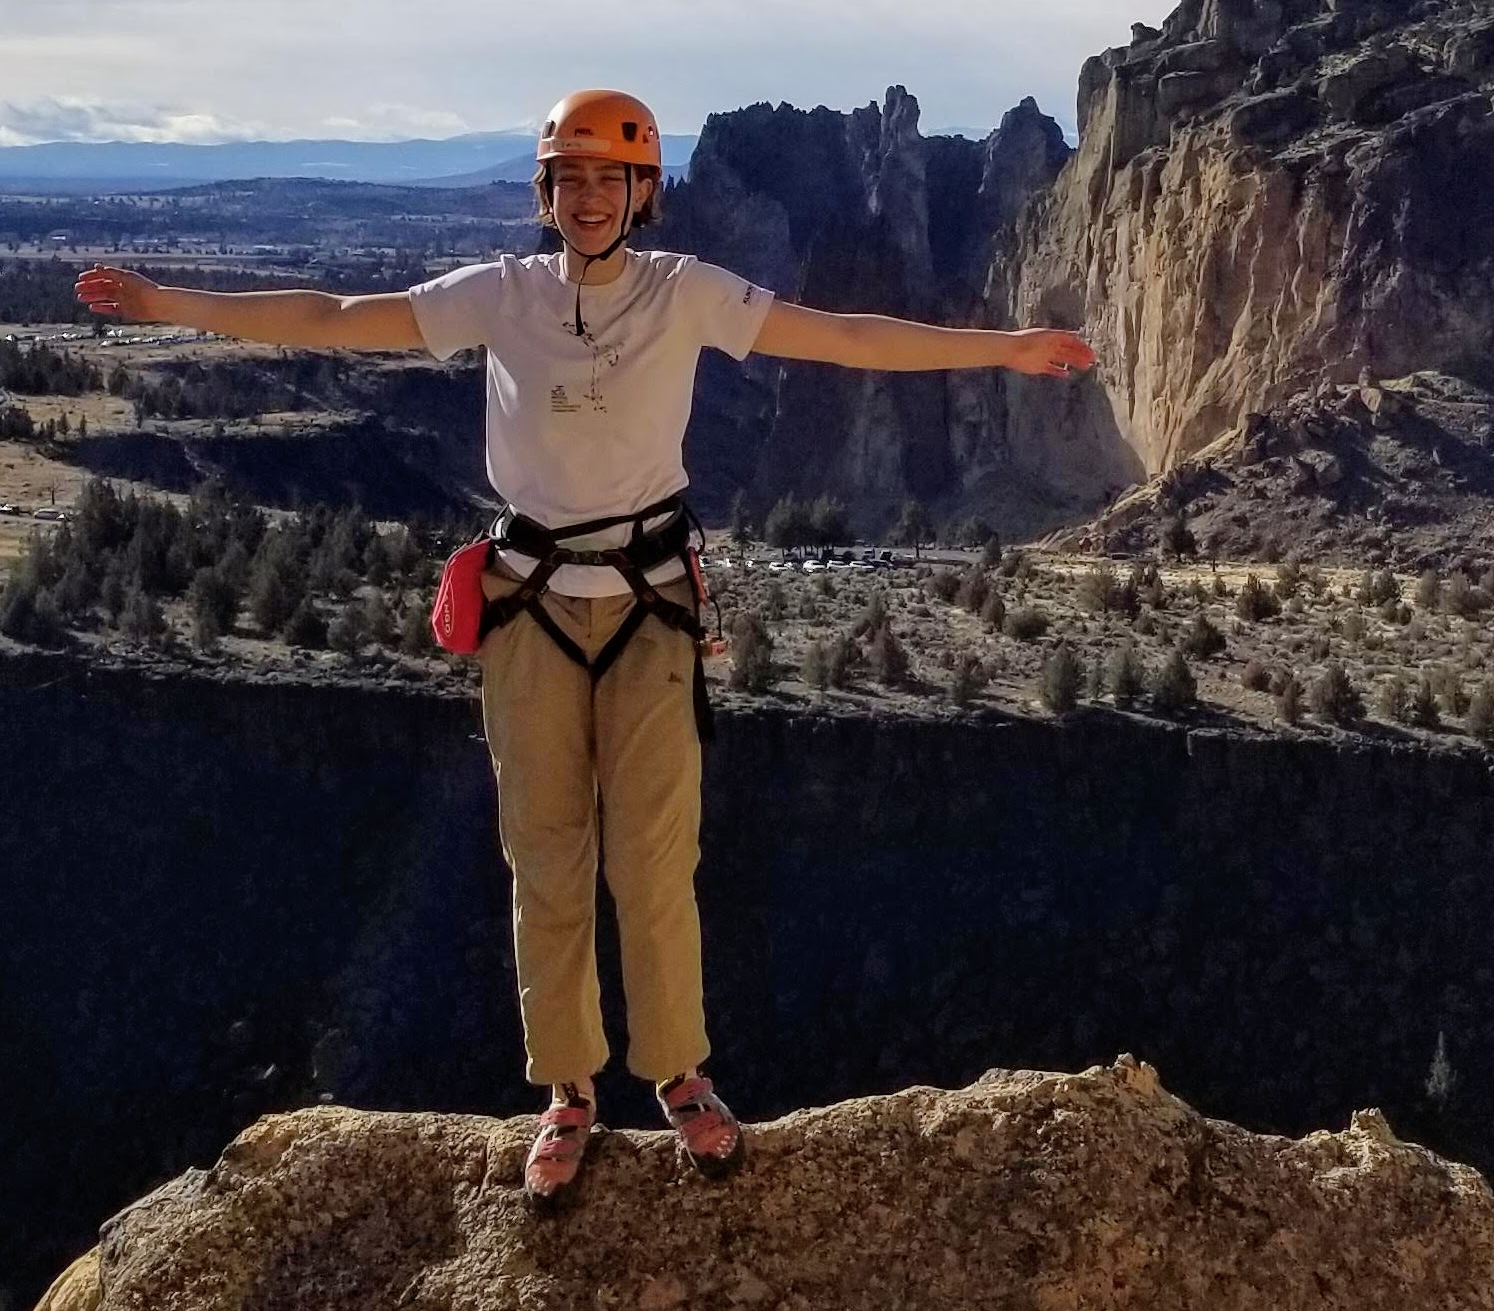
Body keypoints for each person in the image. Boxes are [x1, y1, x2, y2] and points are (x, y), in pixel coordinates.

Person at [75, 87, 1095, 1214]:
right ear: (547, 195)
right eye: (572, 179)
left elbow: (844, 335)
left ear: (644, 192)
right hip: (533, 608)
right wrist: (167, 300)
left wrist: (1007, 348)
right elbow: (333, 315)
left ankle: (681, 1075)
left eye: (613, 178)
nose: (593, 197)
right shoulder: (497, 296)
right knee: (547, 856)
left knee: (654, 857)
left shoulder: (686, 292)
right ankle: (568, 1091)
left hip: (649, 608)